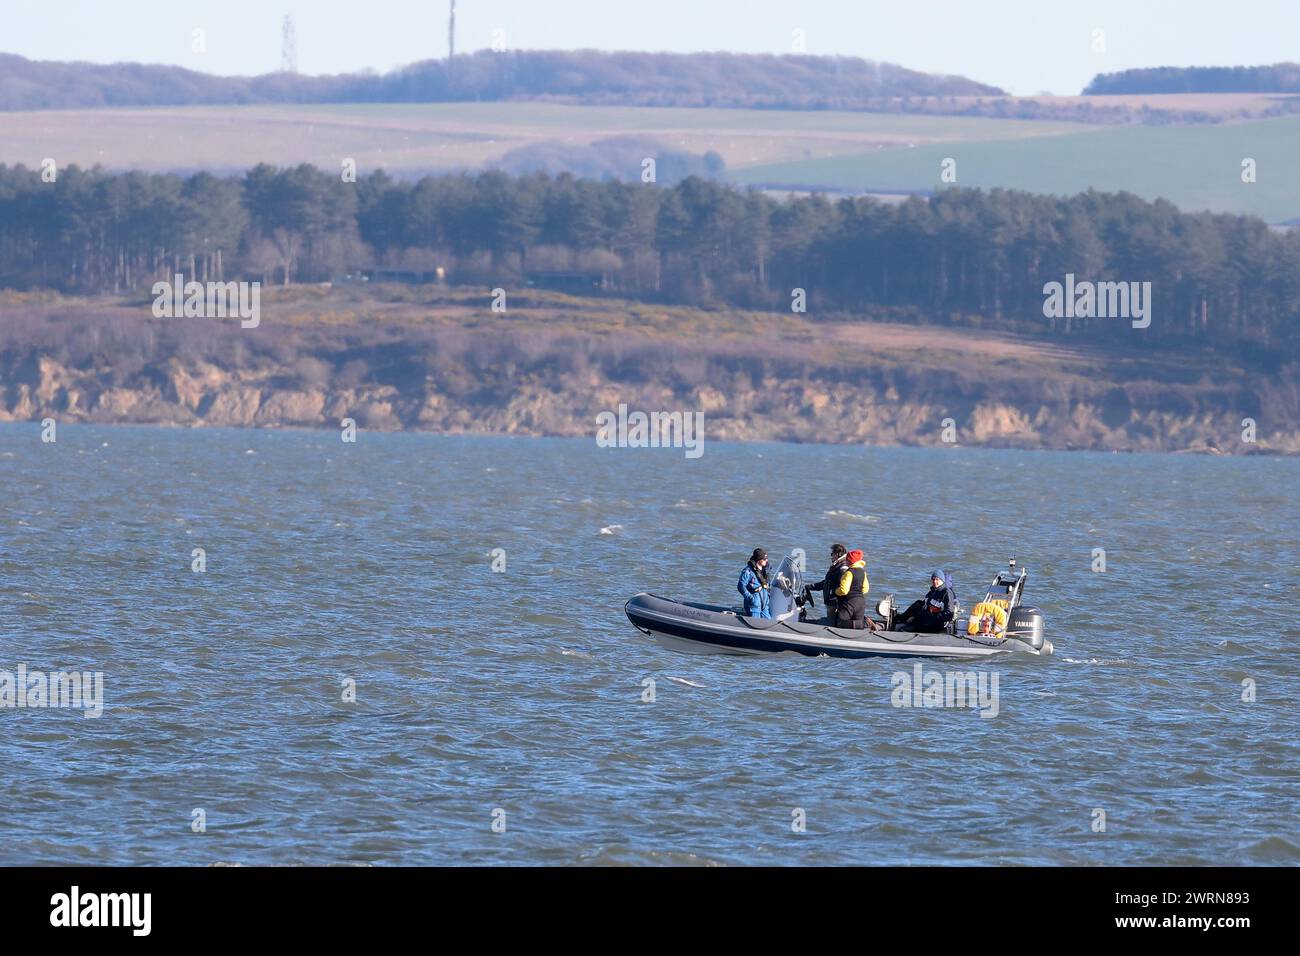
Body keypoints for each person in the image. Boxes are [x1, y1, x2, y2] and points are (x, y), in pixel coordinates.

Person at [737, 548, 771, 618]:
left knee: (769, 622)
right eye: (764, 559)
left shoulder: (765, 571)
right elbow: (741, 586)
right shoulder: (748, 571)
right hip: (754, 606)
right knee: (755, 624)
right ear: (759, 560)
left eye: (766, 558)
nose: (766, 560)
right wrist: (751, 599)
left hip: (764, 606)